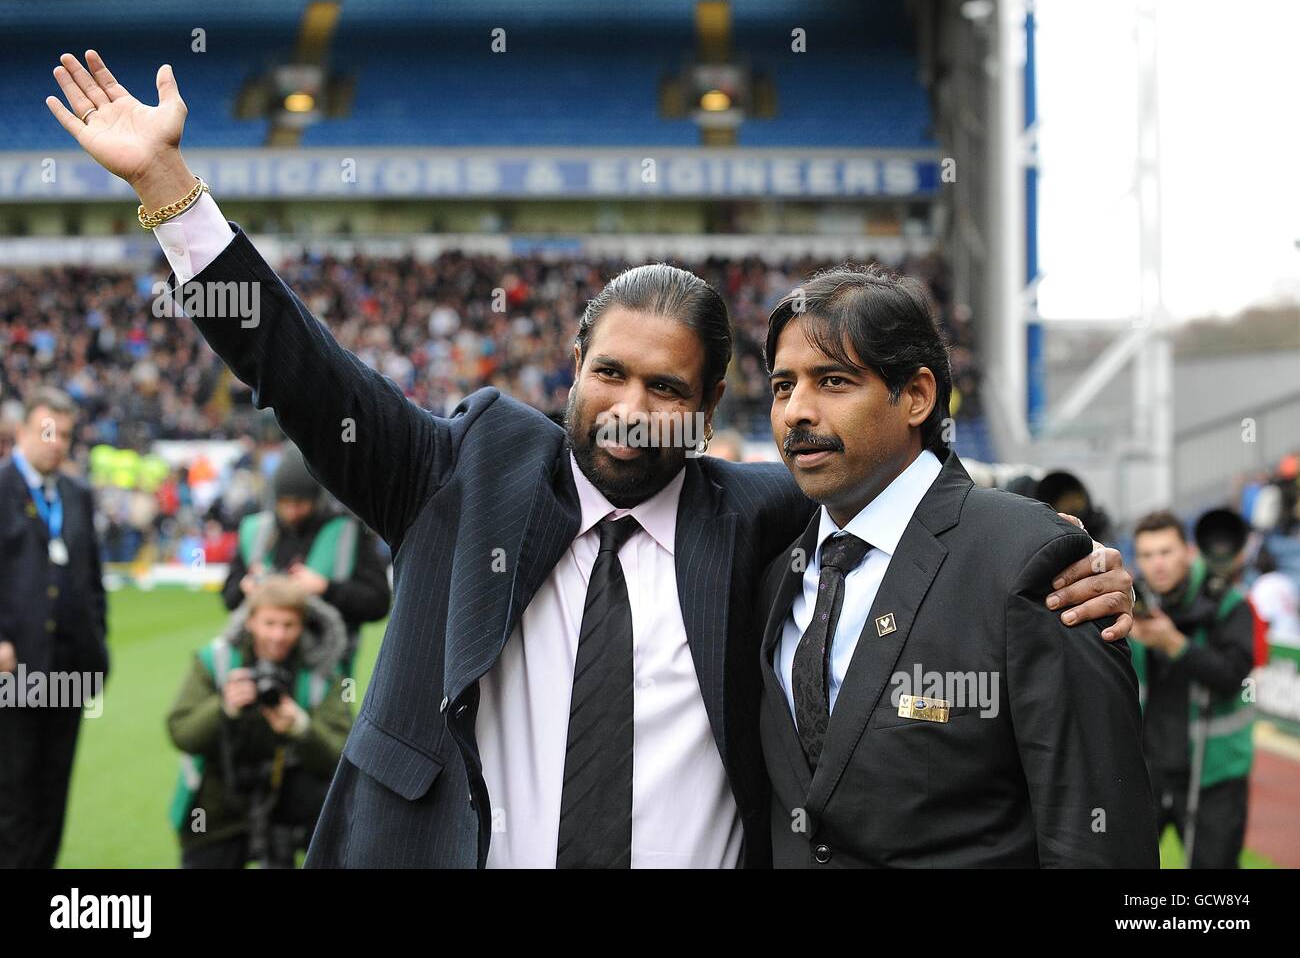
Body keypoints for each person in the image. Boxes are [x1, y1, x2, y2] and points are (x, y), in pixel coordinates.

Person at [45, 51, 1136, 868]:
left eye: (667, 388)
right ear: (571, 367)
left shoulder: (758, 516)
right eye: (610, 373)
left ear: (709, 409)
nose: (630, 408)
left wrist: (1072, 559)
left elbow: (913, 512)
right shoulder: (459, 472)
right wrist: (172, 193)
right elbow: (300, 370)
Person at [757, 265, 1157, 867]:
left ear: (917, 396)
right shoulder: (771, 563)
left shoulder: (1036, 561)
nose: (796, 412)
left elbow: (1097, 836)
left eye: (833, 381)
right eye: (783, 386)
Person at [167, 576, 353, 868]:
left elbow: (342, 754)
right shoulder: (216, 659)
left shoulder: (322, 672)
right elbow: (181, 733)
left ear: (302, 625)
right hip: (217, 804)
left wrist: (300, 728)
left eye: (288, 625)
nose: (278, 636)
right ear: (250, 621)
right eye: (269, 623)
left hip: (292, 806)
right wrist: (224, 707)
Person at [0, 386, 110, 868]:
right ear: (20, 432)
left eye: (65, 434)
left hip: (70, 669)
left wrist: (98, 648)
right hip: (12, 672)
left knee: (52, 797)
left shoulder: (77, 494)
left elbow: (92, 580)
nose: (56, 443)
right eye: (47, 432)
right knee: (12, 797)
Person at [1130, 510, 1255, 868]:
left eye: (1166, 552)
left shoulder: (1230, 604)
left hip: (1214, 773)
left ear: (1188, 552)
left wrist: (1174, 645)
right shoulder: (1131, 604)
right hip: (1149, 769)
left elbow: (1235, 678)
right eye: (1148, 555)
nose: (1158, 564)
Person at [222, 443, 390, 676]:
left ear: (317, 500)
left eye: (300, 504)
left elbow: (379, 603)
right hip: (259, 668)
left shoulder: (348, 533)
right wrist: (246, 587)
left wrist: (326, 588)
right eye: (285, 504)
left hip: (325, 670)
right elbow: (229, 598)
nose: (292, 511)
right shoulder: (255, 531)